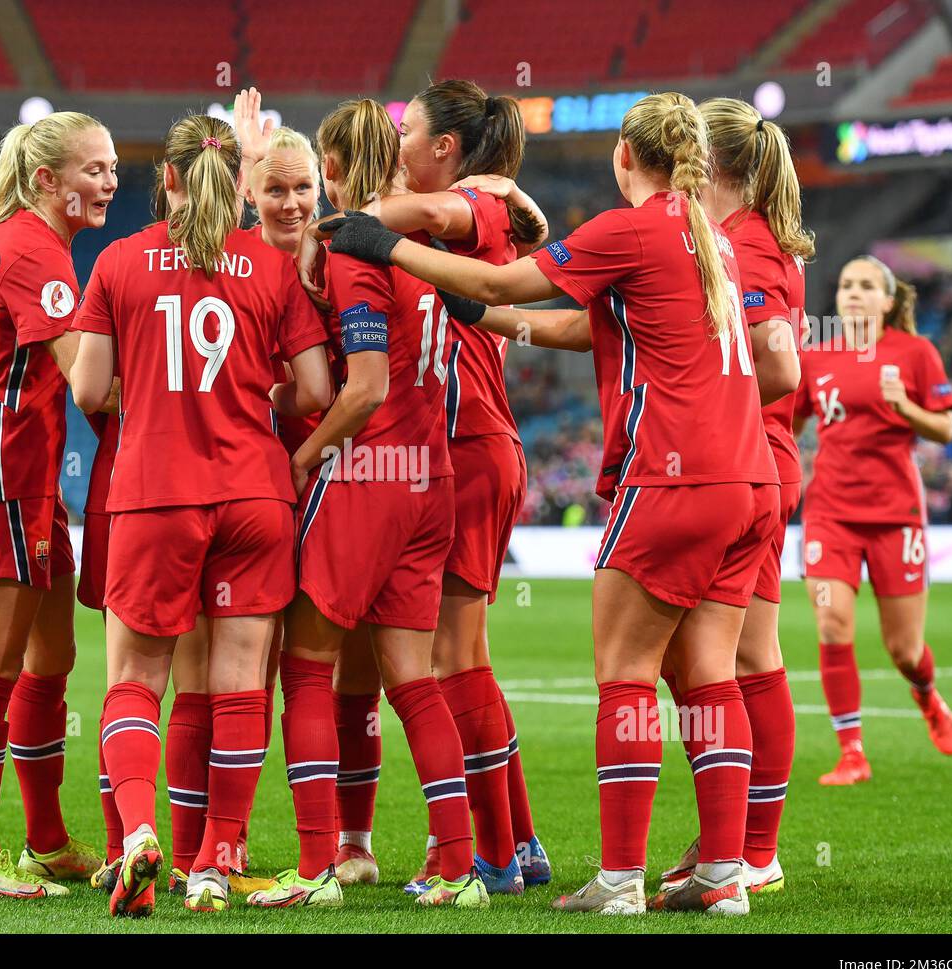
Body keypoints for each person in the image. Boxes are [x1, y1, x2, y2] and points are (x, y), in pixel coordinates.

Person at [324, 91, 780, 916]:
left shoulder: (628, 228)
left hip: (673, 477)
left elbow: (500, 273)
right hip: (750, 480)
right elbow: (586, 326)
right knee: (712, 675)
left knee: (626, 675)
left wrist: (387, 246)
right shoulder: (709, 236)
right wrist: (494, 319)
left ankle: (620, 877)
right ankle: (724, 872)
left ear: (624, 155)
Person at [71, 112, 332, 916]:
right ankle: (216, 863)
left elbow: (88, 389)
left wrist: (153, 388)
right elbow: (317, 390)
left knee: (135, 681)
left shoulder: (118, 261)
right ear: (236, 180)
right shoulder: (269, 265)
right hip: (254, 494)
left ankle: (140, 834)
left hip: (154, 494)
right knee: (240, 684)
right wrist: (255, 392)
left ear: (169, 178)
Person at [302, 80, 551, 895]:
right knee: (454, 660)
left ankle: (490, 854)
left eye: (407, 128)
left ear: (445, 147)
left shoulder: (465, 204)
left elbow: (423, 215)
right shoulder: (482, 206)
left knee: (452, 661)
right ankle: (515, 841)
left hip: (464, 445)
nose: (397, 139)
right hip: (467, 445)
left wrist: (336, 228)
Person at [248, 98, 489, 911]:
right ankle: (458, 868)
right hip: (430, 475)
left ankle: (317, 865)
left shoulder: (354, 245)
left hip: (369, 475)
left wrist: (304, 457)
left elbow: (365, 388)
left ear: (332, 167)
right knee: (413, 680)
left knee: (306, 665)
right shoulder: (420, 242)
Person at [0, 112, 115, 898]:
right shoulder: (35, 249)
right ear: (48, 179)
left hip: (29, 479)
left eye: (113, 167)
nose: (109, 182)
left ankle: (44, 841)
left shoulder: (30, 240)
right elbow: (89, 382)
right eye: (93, 169)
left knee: (52, 658)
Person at [654, 97, 811, 898]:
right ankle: (736, 837)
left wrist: (702, 379)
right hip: (755, 459)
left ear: (706, 162)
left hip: (747, 460)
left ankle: (752, 846)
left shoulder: (743, 243)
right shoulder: (752, 236)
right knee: (717, 658)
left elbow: (780, 366)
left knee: (736, 658)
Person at [793, 257, 952, 786]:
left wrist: (905, 407)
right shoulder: (816, 356)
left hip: (895, 516)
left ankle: (927, 695)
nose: (854, 293)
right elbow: (789, 425)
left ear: (888, 301)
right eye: (847, 284)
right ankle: (852, 753)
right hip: (830, 514)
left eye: (867, 286)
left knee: (904, 650)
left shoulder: (916, 353)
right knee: (831, 622)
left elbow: (946, 428)